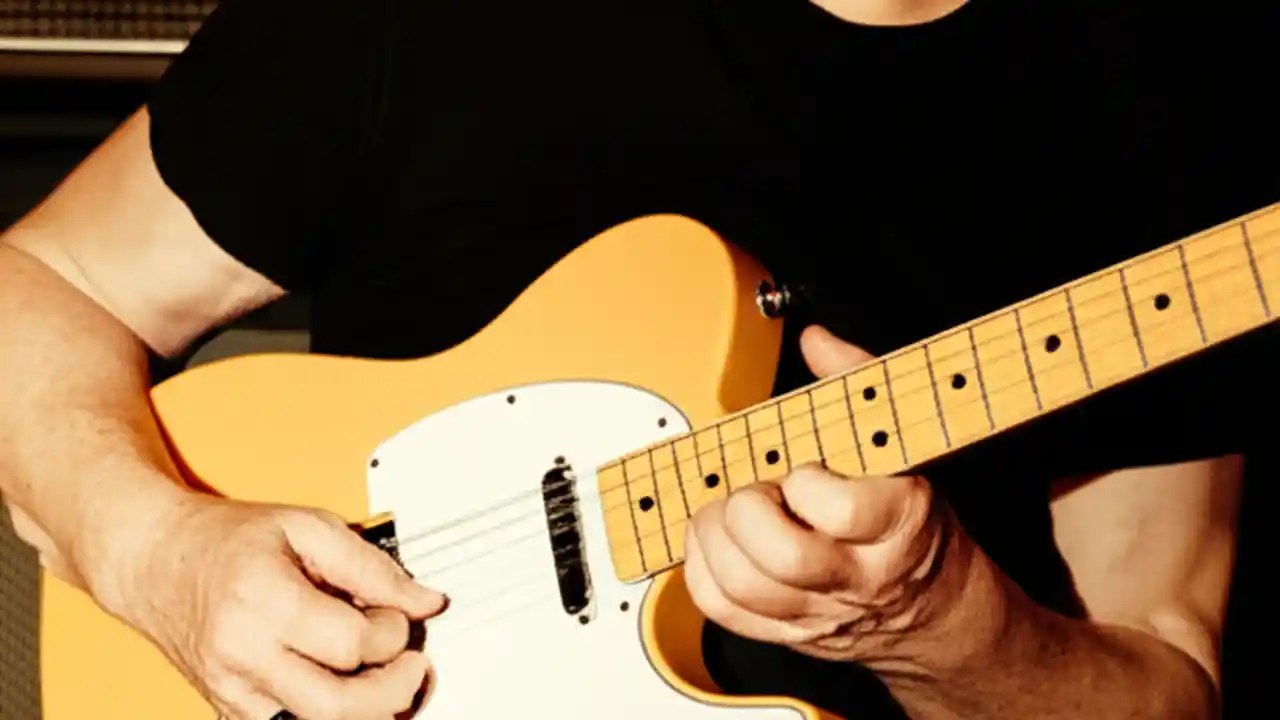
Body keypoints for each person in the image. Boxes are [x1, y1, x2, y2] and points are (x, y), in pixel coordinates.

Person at [0, 0, 1273, 717]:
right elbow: (42, 284)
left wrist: (944, 623)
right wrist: (156, 554)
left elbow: (1166, 680)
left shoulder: (1180, 94)